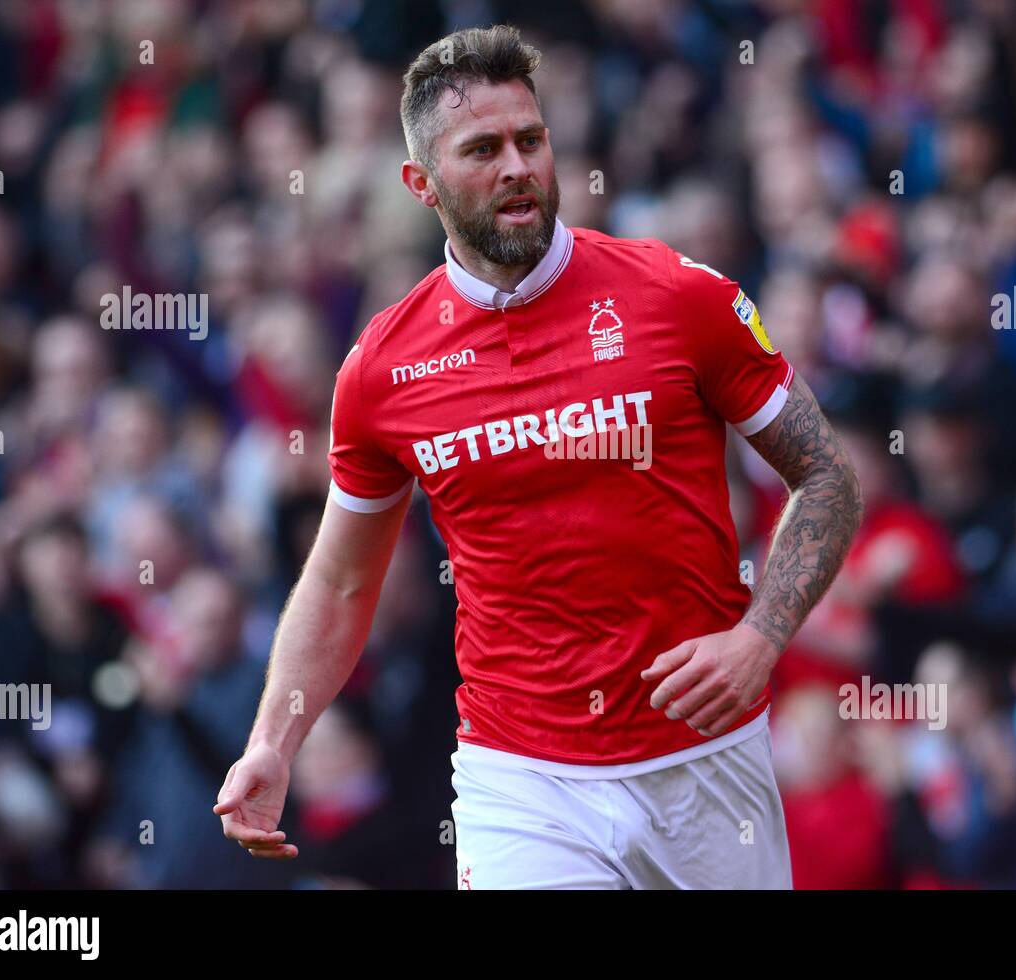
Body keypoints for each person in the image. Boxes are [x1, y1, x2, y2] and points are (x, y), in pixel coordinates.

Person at [214, 24, 862, 890]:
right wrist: (272, 741)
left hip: (704, 759)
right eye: (482, 148)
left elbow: (825, 472)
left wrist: (761, 637)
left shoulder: (678, 297)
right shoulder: (381, 370)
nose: (517, 165)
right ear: (422, 184)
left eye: (531, 139)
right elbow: (338, 582)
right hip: (522, 779)